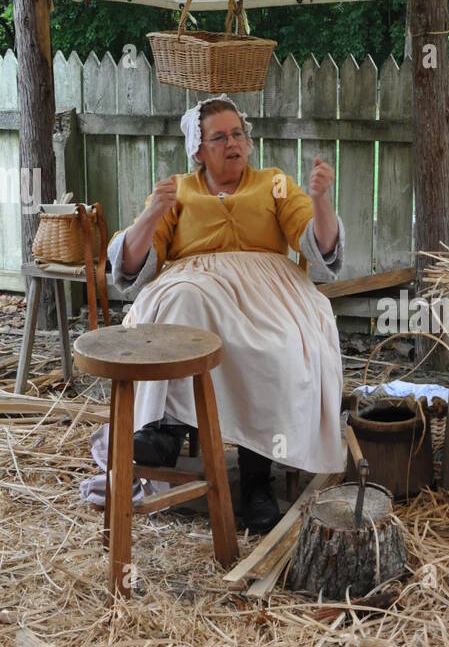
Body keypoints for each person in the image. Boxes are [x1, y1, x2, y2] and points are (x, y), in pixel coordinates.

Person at [105, 94, 345, 533]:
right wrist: (154, 212)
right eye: (219, 137)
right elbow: (134, 263)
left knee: (281, 348)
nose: (233, 143)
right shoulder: (180, 190)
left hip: (268, 293)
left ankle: (258, 480)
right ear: (198, 149)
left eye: (238, 134)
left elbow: (319, 243)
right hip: (196, 287)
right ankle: (165, 429)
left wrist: (320, 200)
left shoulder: (272, 183)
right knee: (184, 298)